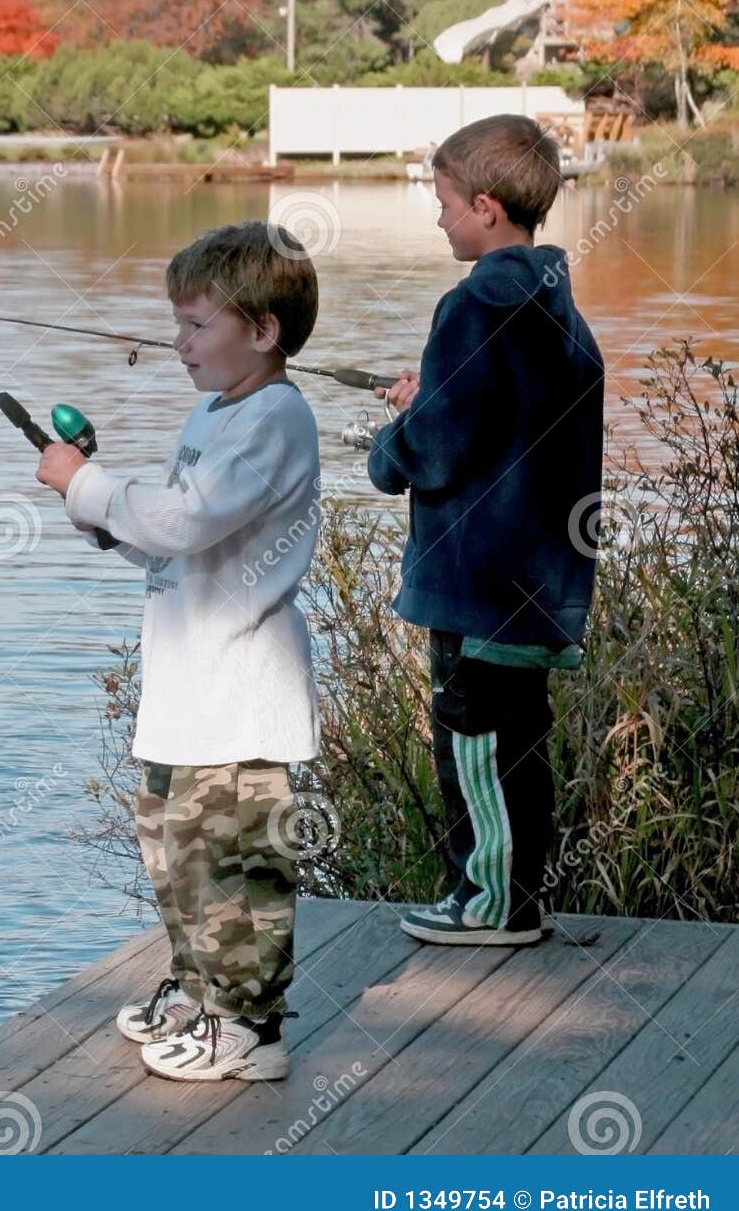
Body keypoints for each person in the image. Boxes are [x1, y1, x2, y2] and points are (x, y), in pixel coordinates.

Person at [36, 220, 321, 1081]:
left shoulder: (274, 419)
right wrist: (98, 517)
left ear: (261, 332)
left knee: (235, 866)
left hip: (240, 694)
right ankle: (202, 997)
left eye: (197, 325)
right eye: (178, 322)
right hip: (186, 694)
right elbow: (174, 536)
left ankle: (252, 1032)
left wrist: (86, 484)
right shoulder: (212, 412)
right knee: (177, 857)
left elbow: (186, 518)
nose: (178, 343)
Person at [367, 115, 604, 946]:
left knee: (471, 743)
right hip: (538, 581)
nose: (437, 220)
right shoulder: (554, 306)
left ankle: (490, 904)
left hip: (479, 586)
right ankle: (508, 897)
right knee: (518, 747)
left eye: (442, 204)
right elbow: (505, 420)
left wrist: (388, 442)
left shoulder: (471, 305)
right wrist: (427, 391)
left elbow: (432, 454)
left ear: (486, 206)